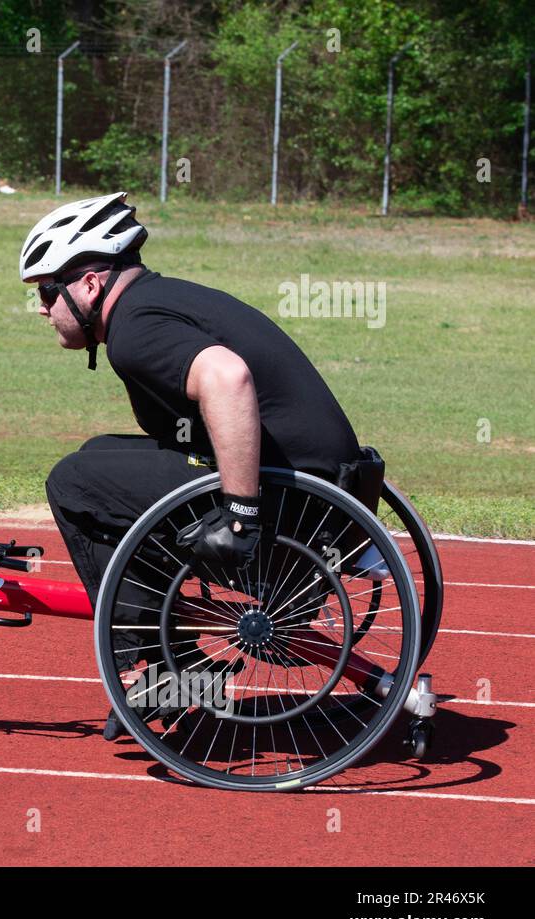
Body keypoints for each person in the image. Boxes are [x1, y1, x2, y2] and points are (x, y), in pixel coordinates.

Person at [21, 192, 371, 698]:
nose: (42, 308)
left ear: (91, 283)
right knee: (97, 457)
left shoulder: (135, 330)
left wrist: (239, 514)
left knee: (74, 484)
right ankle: (174, 656)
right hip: (326, 488)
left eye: (49, 292)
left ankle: (161, 662)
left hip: (295, 508)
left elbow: (229, 378)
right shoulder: (160, 300)